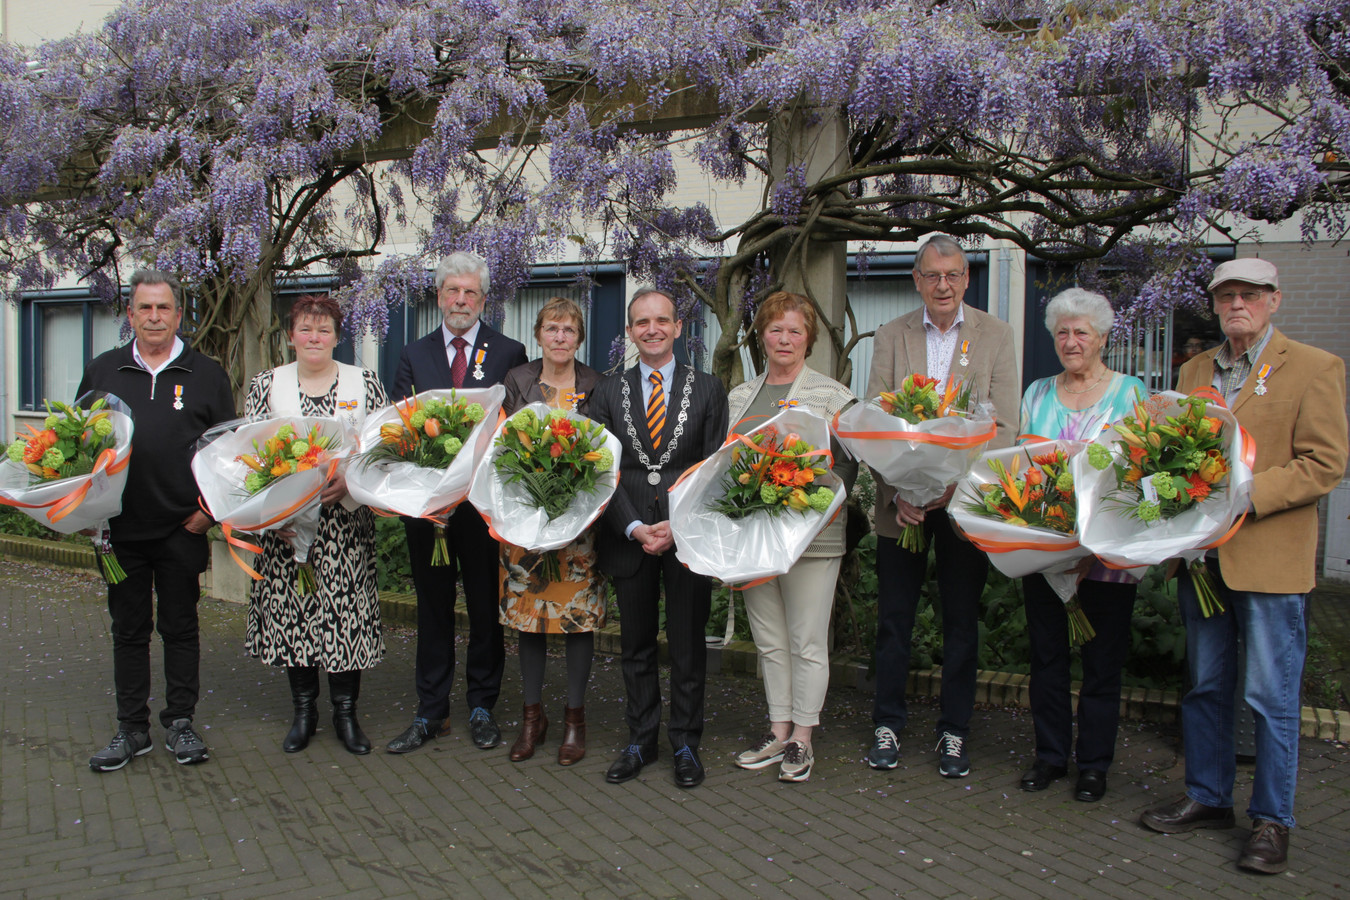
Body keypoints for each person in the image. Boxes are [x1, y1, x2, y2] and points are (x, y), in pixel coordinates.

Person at [1141, 258, 1348, 875]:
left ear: (1274, 300)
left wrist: (1246, 494)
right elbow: (1174, 455)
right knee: (1205, 687)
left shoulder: (1315, 367)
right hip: (1204, 560)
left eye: (1250, 294)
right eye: (1227, 294)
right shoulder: (1193, 369)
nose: (1238, 303)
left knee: (1269, 696)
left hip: (1269, 558)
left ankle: (1272, 820)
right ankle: (1208, 797)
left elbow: (1325, 463)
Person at [865, 234, 1019, 778]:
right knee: (894, 621)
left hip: (961, 503)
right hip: (902, 505)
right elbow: (875, 419)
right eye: (932, 275)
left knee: (960, 623)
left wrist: (958, 483)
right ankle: (887, 723)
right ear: (917, 280)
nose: (943, 285)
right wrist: (900, 489)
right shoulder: (891, 334)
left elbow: (1004, 427)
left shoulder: (996, 336)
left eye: (952, 274)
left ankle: (954, 732)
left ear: (967, 278)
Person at [78, 269, 235, 771]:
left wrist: (204, 515)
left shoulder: (206, 373)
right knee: (128, 629)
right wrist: (82, 508)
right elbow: (80, 448)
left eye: (163, 308)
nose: (154, 317)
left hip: (180, 529)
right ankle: (132, 729)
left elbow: (227, 454)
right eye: (144, 308)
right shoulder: (103, 370)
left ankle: (181, 723)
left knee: (180, 626)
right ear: (130, 314)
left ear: (178, 315)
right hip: (119, 530)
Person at [386, 251, 528, 754]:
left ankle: (482, 707)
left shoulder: (510, 351)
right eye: (452, 291)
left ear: (484, 299)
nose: (461, 300)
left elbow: (514, 432)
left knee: (486, 610)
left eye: (470, 292)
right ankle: (432, 711)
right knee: (432, 609)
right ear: (439, 296)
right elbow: (400, 431)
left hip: (482, 510)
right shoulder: (413, 353)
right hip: (428, 511)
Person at [588, 288, 728, 788]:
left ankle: (686, 743)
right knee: (636, 646)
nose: (652, 329)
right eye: (642, 322)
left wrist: (676, 523)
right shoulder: (606, 392)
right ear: (630, 332)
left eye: (662, 321)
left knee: (688, 646)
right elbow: (602, 468)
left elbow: (712, 467)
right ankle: (640, 740)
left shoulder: (709, 389)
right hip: (629, 535)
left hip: (686, 536)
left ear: (677, 327)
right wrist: (633, 525)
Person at [242, 295, 388, 755]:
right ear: (290, 336)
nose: (314, 338)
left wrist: (352, 478)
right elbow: (246, 459)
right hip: (287, 531)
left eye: (323, 330)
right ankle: (303, 711)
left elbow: (383, 450)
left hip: (345, 527)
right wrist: (271, 512)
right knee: (297, 618)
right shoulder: (266, 386)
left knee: (343, 618)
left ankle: (346, 714)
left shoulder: (365, 383)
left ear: (337, 337)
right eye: (305, 329)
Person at [1015, 289, 1147, 802]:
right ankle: (1049, 756)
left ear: (1102, 338)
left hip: (1107, 553)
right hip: (1046, 551)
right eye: (1063, 333)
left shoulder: (1131, 393)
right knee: (1046, 658)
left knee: (1101, 661)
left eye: (1082, 333)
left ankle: (1094, 764)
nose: (1071, 342)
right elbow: (1023, 465)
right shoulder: (1036, 394)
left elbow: (1138, 473)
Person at [725, 292, 857, 783]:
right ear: (762, 336)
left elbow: (848, 464)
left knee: (806, 641)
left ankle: (803, 737)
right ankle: (778, 730)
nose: (784, 338)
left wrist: (809, 499)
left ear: (809, 340)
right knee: (771, 642)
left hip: (811, 537)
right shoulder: (740, 396)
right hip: (756, 537)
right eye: (775, 329)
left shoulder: (832, 394)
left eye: (795, 331)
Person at [498, 297, 604, 765]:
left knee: (578, 621)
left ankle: (574, 722)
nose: (561, 338)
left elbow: (606, 452)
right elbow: (500, 449)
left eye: (570, 331)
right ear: (539, 334)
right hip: (523, 522)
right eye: (553, 329)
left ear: (579, 339)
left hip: (578, 524)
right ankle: (531, 718)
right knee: (529, 620)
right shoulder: (517, 380)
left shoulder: (596, 384)